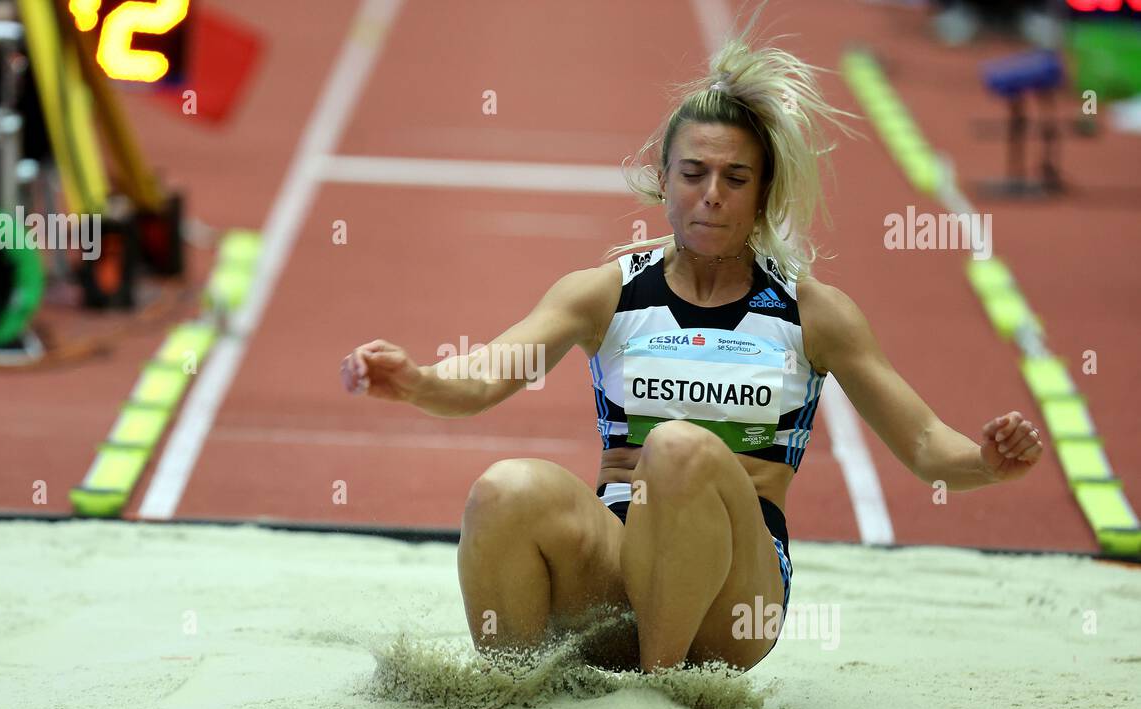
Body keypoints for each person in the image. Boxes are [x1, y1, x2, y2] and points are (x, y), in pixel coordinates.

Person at [339, 22, 1044, 675]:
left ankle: (654, 697)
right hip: (616, 579)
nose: (712, 194)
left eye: (735, 179)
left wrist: (984, 461)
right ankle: (519, 693)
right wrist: (416, 379)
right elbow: (485, 375)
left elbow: (923, 444)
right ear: (663, 180)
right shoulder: (605, 292)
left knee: (677, 448)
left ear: (763, 195)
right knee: (504, 490)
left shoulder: (812, 312)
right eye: (694, 174)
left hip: (736, 603)